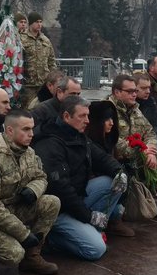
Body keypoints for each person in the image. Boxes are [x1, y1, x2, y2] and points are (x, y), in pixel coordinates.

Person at [33, 96, 126, 260]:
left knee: (113, 181)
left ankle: (93, 228)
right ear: (66, 116)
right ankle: (52, 238)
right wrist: (88, 216)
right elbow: (61, 190)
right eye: (82, 116)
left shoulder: (77, 134)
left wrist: (120, 173)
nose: (87, 121)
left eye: (88, 115)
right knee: (96, 249)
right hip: (58, 209)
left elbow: (102, 158)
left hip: (77, 197)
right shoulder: (51, 144)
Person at [0, 110, 60, 275]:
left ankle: (32, 257)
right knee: (14, 254)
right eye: (26, 129)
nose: (31, 134)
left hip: (16, 208)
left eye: (32, 128)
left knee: (51, 202)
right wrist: (24, 234)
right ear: (10, 130)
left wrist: (33, 189)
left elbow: (41, 176)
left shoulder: (27, 152)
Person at [108, 73, 157, 226]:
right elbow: (112, 141)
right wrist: (142, 150)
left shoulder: (135, 109)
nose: (134, 94)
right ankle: (122, 211)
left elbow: (150, 132)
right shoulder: (108, 110)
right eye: (130, 91)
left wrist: (150, 151)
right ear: (117, 92)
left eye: (135, 91)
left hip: (137, 154)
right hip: (116, 159)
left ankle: (149, 201)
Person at [21, 12, 57, 108]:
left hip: (43, 83)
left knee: (45, 108)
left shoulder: (45, 40)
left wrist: (52, 78)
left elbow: (51, 61)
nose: (39, 24)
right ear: (31, 23)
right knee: (28, 109)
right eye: (37, 22)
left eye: (41, 22)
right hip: (28, 84)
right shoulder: (22, 39)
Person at [134, 73, 157, 140]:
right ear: (134, 88)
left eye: (149, 88)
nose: (148, 91)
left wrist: (150, 139)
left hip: (149, 139)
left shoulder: (150, 101)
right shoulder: (128, 103)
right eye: (143, 88)